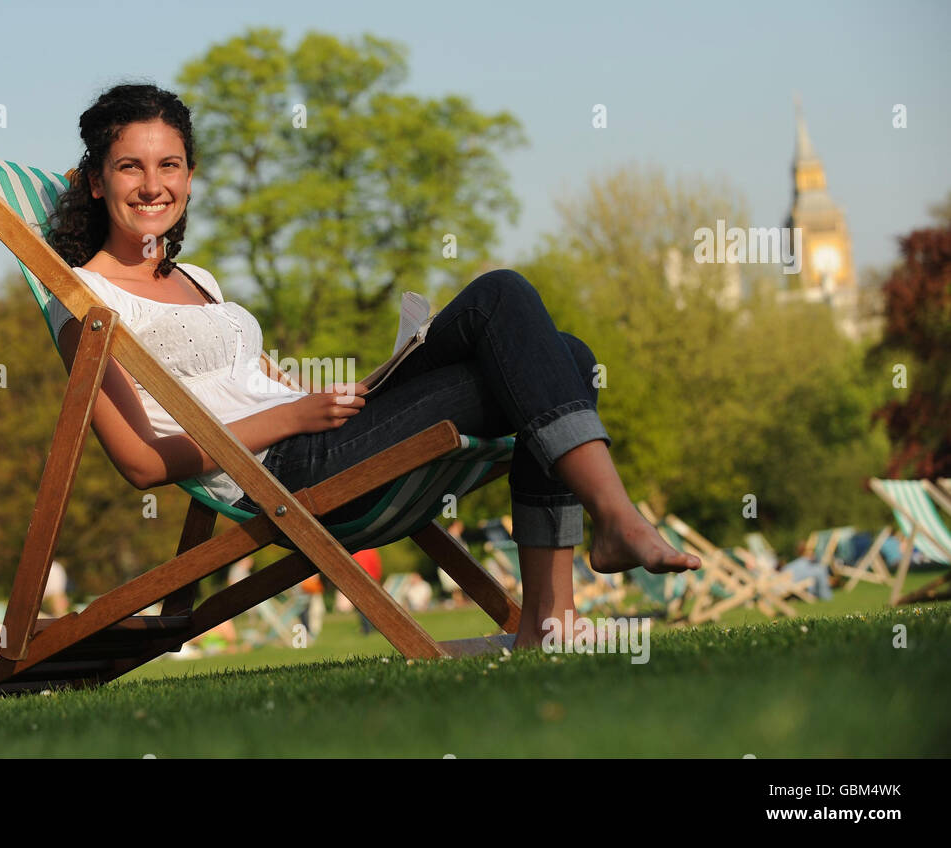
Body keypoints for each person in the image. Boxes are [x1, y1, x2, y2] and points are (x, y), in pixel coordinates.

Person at [45, 84, 700, 650]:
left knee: (565, 354)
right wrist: (293, 416)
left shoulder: (199, 279)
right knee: (504, 298)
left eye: (170, 164)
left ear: (189, 176)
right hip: (281, 474)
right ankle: (614, 527)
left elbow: (269, 385)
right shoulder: (84, 301)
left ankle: (552, 622)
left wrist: (368, 385)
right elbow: (141, 463)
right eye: (131, 166)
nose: (153, 184)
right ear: (98, 180)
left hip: (319, 438)